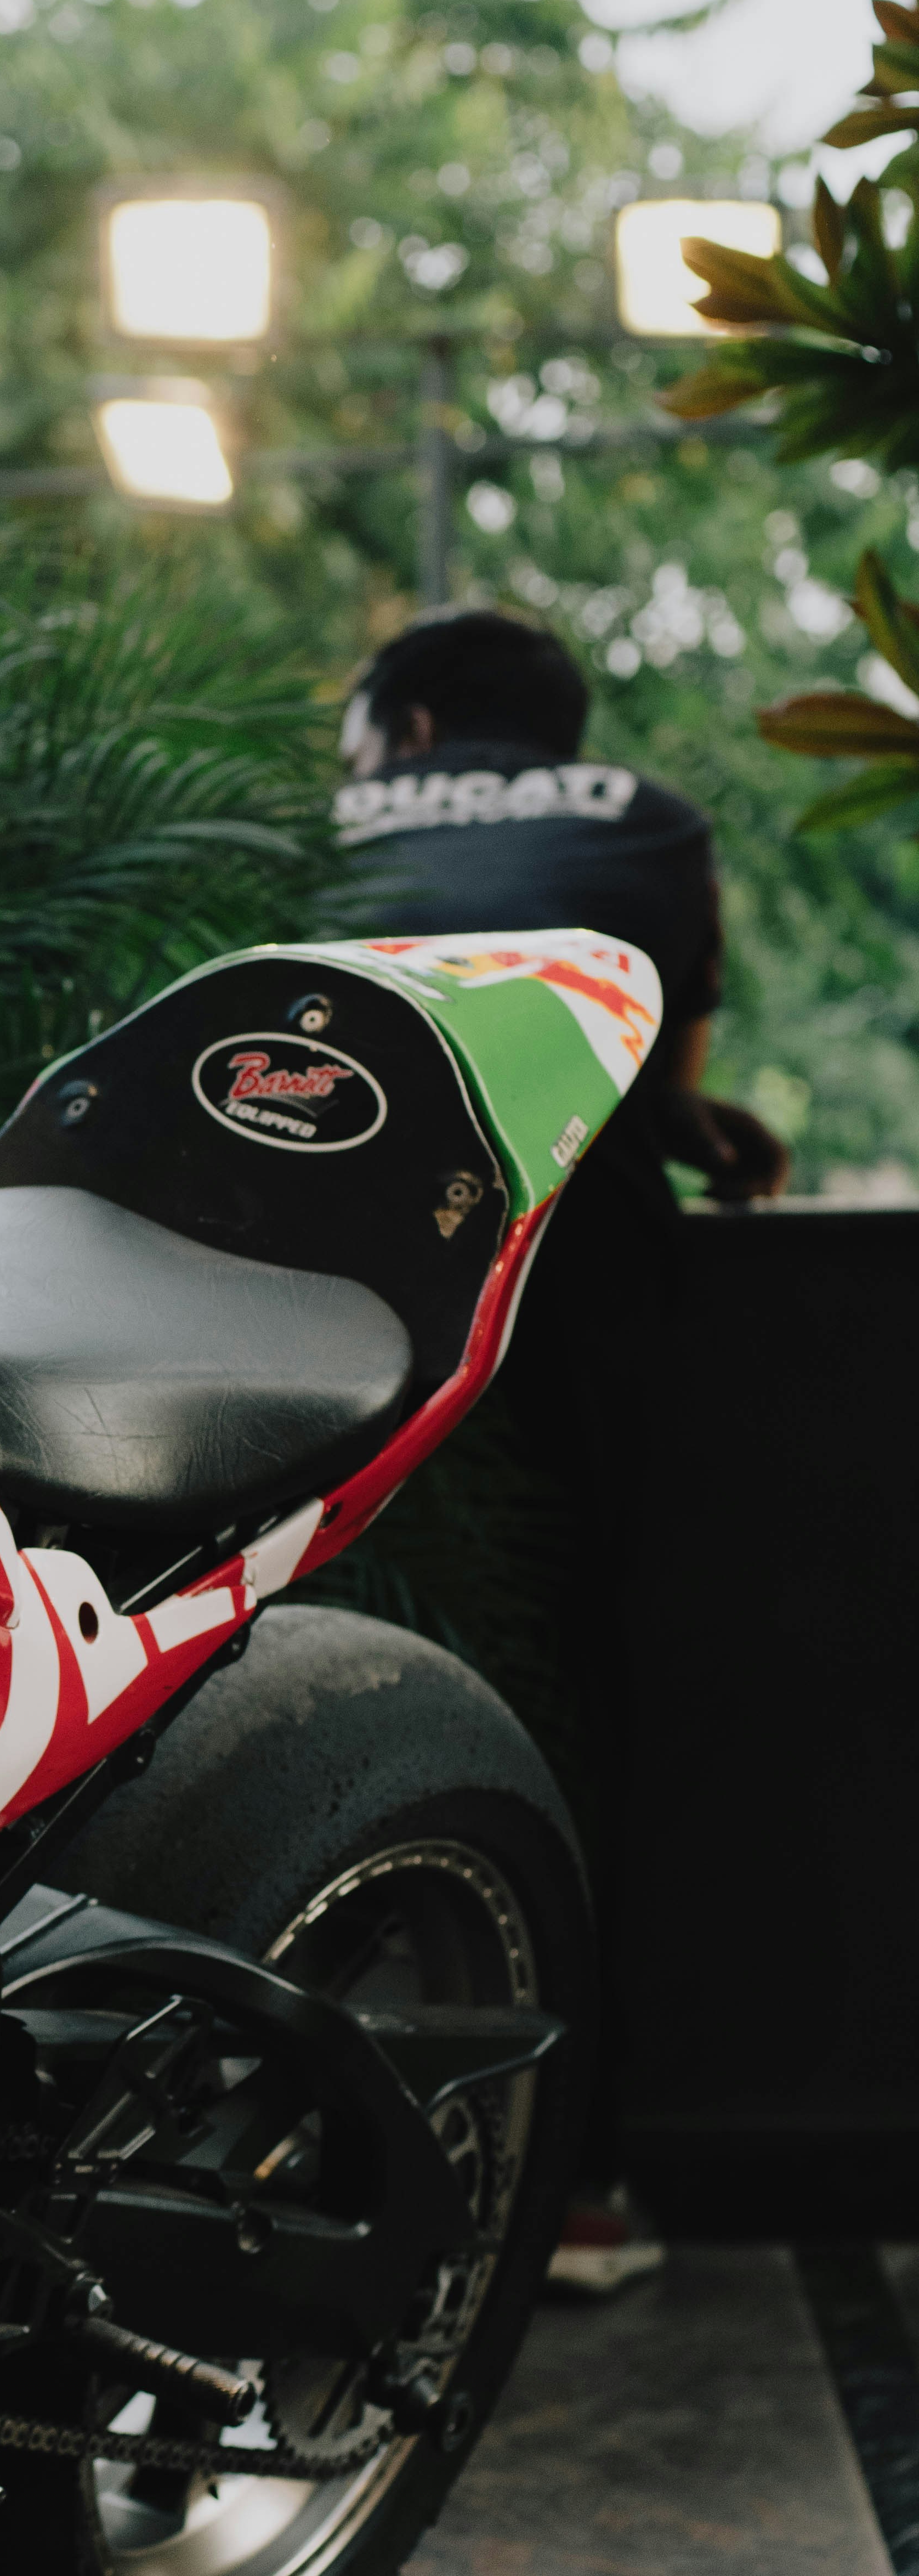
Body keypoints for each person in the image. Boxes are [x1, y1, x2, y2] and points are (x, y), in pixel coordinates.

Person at [325, 610, 786, 2287]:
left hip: (352, 1283)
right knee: (593, 1694)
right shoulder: (651, 817)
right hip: (584, 1285)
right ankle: (579, 2186)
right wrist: (700, 1138)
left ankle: (319, 2177)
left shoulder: (324, 826)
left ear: (416, 722)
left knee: (329, 1685)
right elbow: (639, 1056)